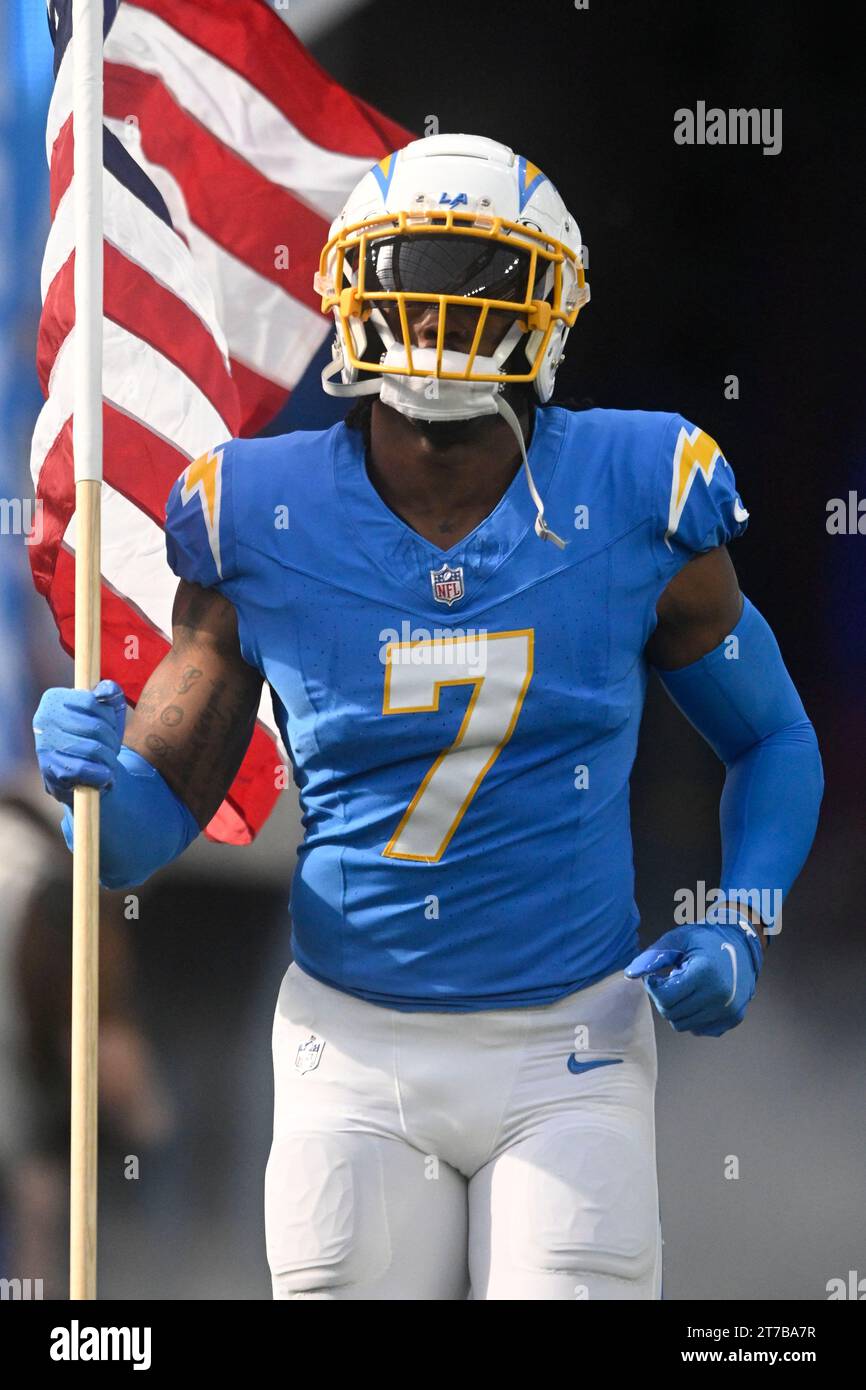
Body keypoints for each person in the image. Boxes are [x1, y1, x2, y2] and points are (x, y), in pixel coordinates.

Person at [33, 134, 822, 1300]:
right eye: (421, 271)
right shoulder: (258, 510)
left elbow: (772, 738)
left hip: (571, 1040)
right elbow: (148, 834)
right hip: (348, 1050)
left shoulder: (634, 487)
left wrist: (741, 920)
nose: (445, 308)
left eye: (478, 280)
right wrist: (91, 787)